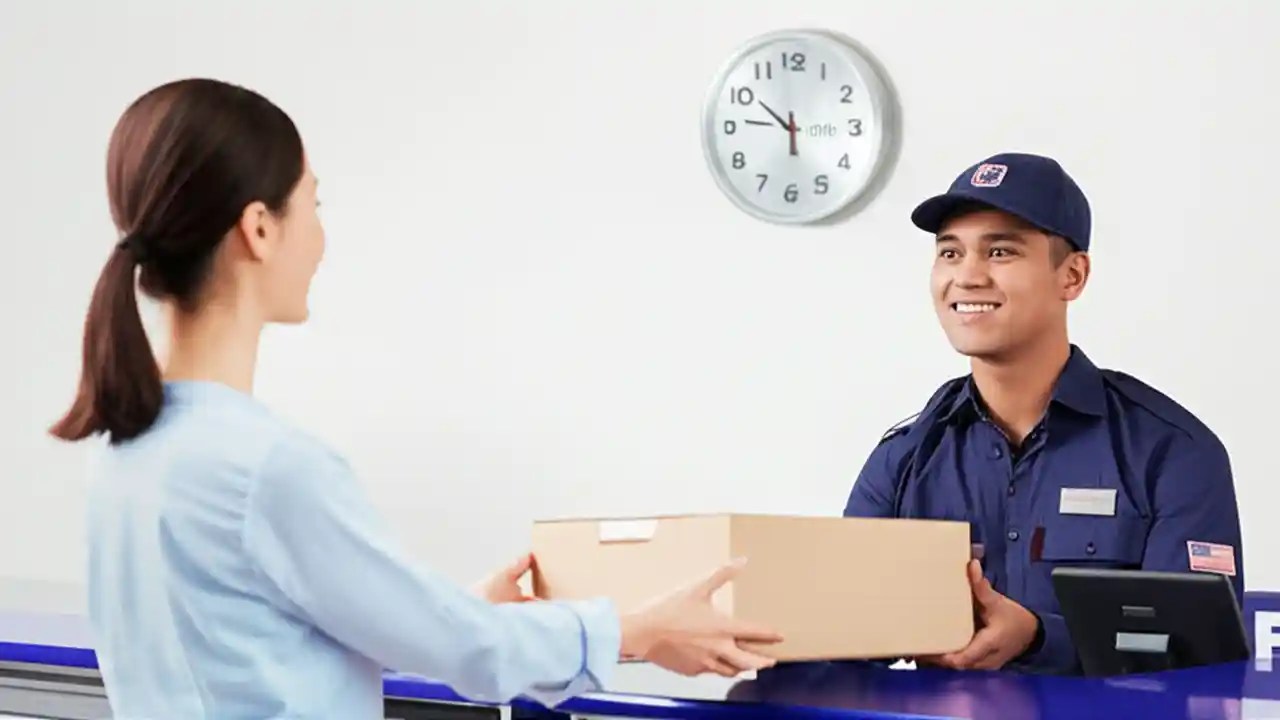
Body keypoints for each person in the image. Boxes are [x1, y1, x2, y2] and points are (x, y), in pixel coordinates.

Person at [50, 78, 781, 719]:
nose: (321, 236)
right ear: (260, 228)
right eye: (313, 203)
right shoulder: (267, 468)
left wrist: (448, 614)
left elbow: (266, 645)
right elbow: (467, 650)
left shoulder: (125, 454)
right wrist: (639, 628)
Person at [843, 152, 1243, 675]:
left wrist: (1038, 637)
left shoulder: (1172, 453)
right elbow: (846, 636)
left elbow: (1199, 653)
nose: (967, 276)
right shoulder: (905, 458)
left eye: (1000, 252)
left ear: (1072, 276)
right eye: (950, 252)